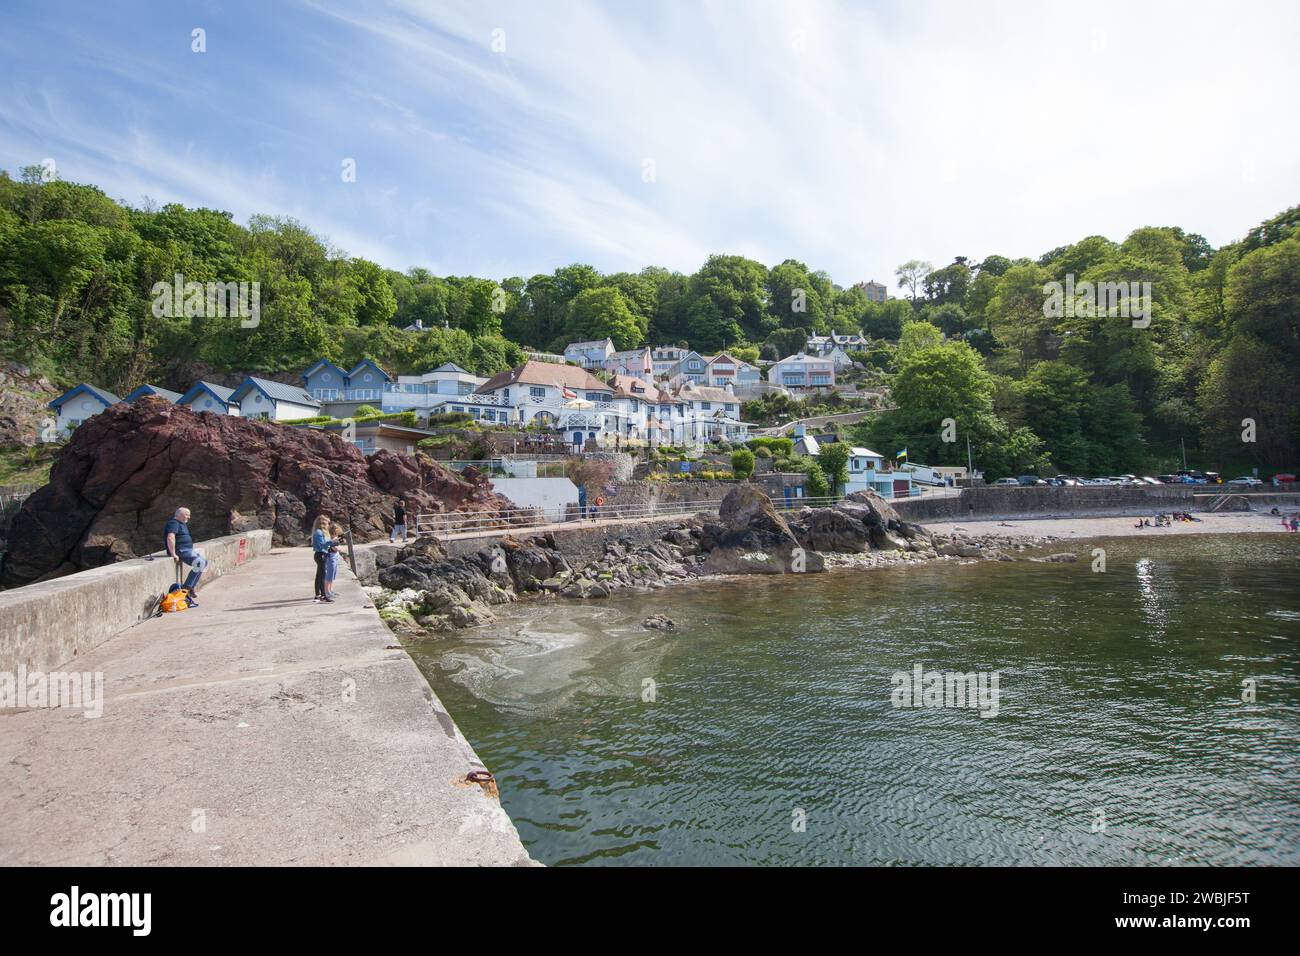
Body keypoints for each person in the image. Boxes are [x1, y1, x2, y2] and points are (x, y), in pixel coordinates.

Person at [164, 507, 205, 608]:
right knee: (199, 563)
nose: (189, 516)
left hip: (187, 550)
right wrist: (173, 553)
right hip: (181, 551)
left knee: (204, 562)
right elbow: (170, 537)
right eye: (187, 514)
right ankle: (186, 588)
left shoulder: (182, 524)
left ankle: (190, 588)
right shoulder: (173, 523)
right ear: (179, 514)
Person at [312, 515, 334, 602]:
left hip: (321, 554)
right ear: (323, 524)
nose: (328, 525)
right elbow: (322, 544)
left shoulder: (319, 532)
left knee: (319, 575)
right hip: (321, 554)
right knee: (322, 576)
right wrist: (332, 542)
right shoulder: (319, 532)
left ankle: (318, 594)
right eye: (327, 523)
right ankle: (323, 596)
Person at [323, 523, 344, 601]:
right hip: (331, 558)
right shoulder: (330, 539)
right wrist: (339, 549)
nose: (337, 533)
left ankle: (330, 590)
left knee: (332, 575)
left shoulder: (334, 538)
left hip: (335, 557)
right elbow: (335, 548)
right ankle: (327, 592)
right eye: (335, 532)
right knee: (329, 575)